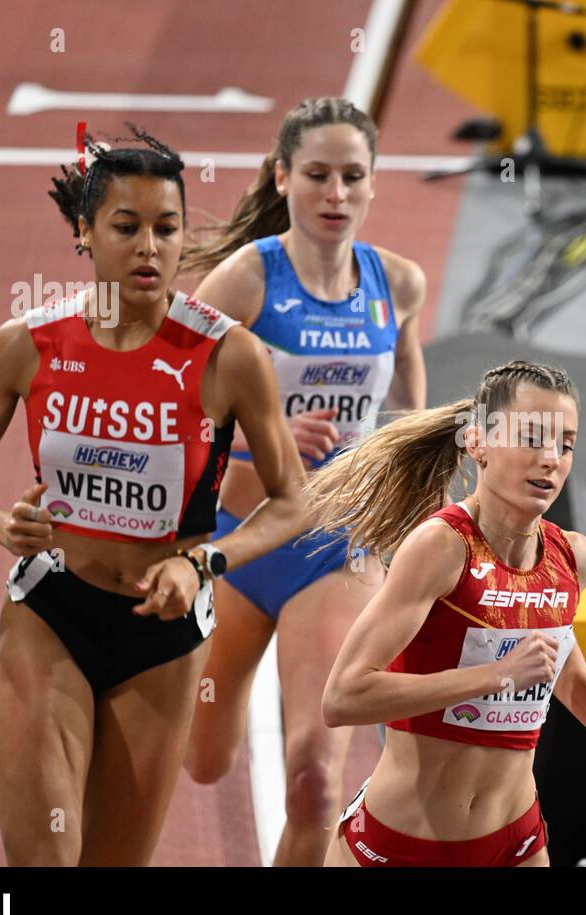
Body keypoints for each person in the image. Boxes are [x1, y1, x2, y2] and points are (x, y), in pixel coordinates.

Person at [0, 129, 306, 866]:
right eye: (126, 228)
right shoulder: (28, 344)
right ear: (83, 233)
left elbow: (293, 501)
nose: (150, 249)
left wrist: (204, 563)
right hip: (51, 613)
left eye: (167, 229)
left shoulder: (227, 356)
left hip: (162, 639)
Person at [177, 96, 427, 866]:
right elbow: (174, 407)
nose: (336, 194)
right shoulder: (246, 281)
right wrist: (269, 435)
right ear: (283, 177)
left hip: (339, 552)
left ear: (374, 184)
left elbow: (407, 413)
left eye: (353, 177)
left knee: (316, 783)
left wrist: (407, 480)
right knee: (202, 759)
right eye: (317, 175)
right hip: (240, 545)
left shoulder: (398, 285)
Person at [307, 360, 586, 866]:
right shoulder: (441, 547)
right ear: (478, 443)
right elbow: (343, 697)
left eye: (565, 444)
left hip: (514, 844)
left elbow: (553, 647)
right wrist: (493, 677)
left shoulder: (574, 556)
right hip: (399, 847)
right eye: (532, 438)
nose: (550, 460)